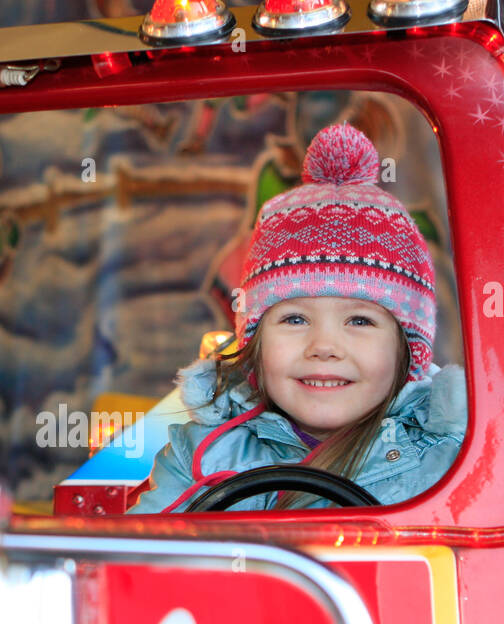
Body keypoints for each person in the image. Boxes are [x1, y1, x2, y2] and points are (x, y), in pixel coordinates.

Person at [129, 123, 466, 514]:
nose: (324, 347)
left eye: (359, 321)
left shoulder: (452, 460)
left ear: (408, 349)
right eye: (294, 320)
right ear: (254, 342)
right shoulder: (203, 455)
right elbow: (142, 566)